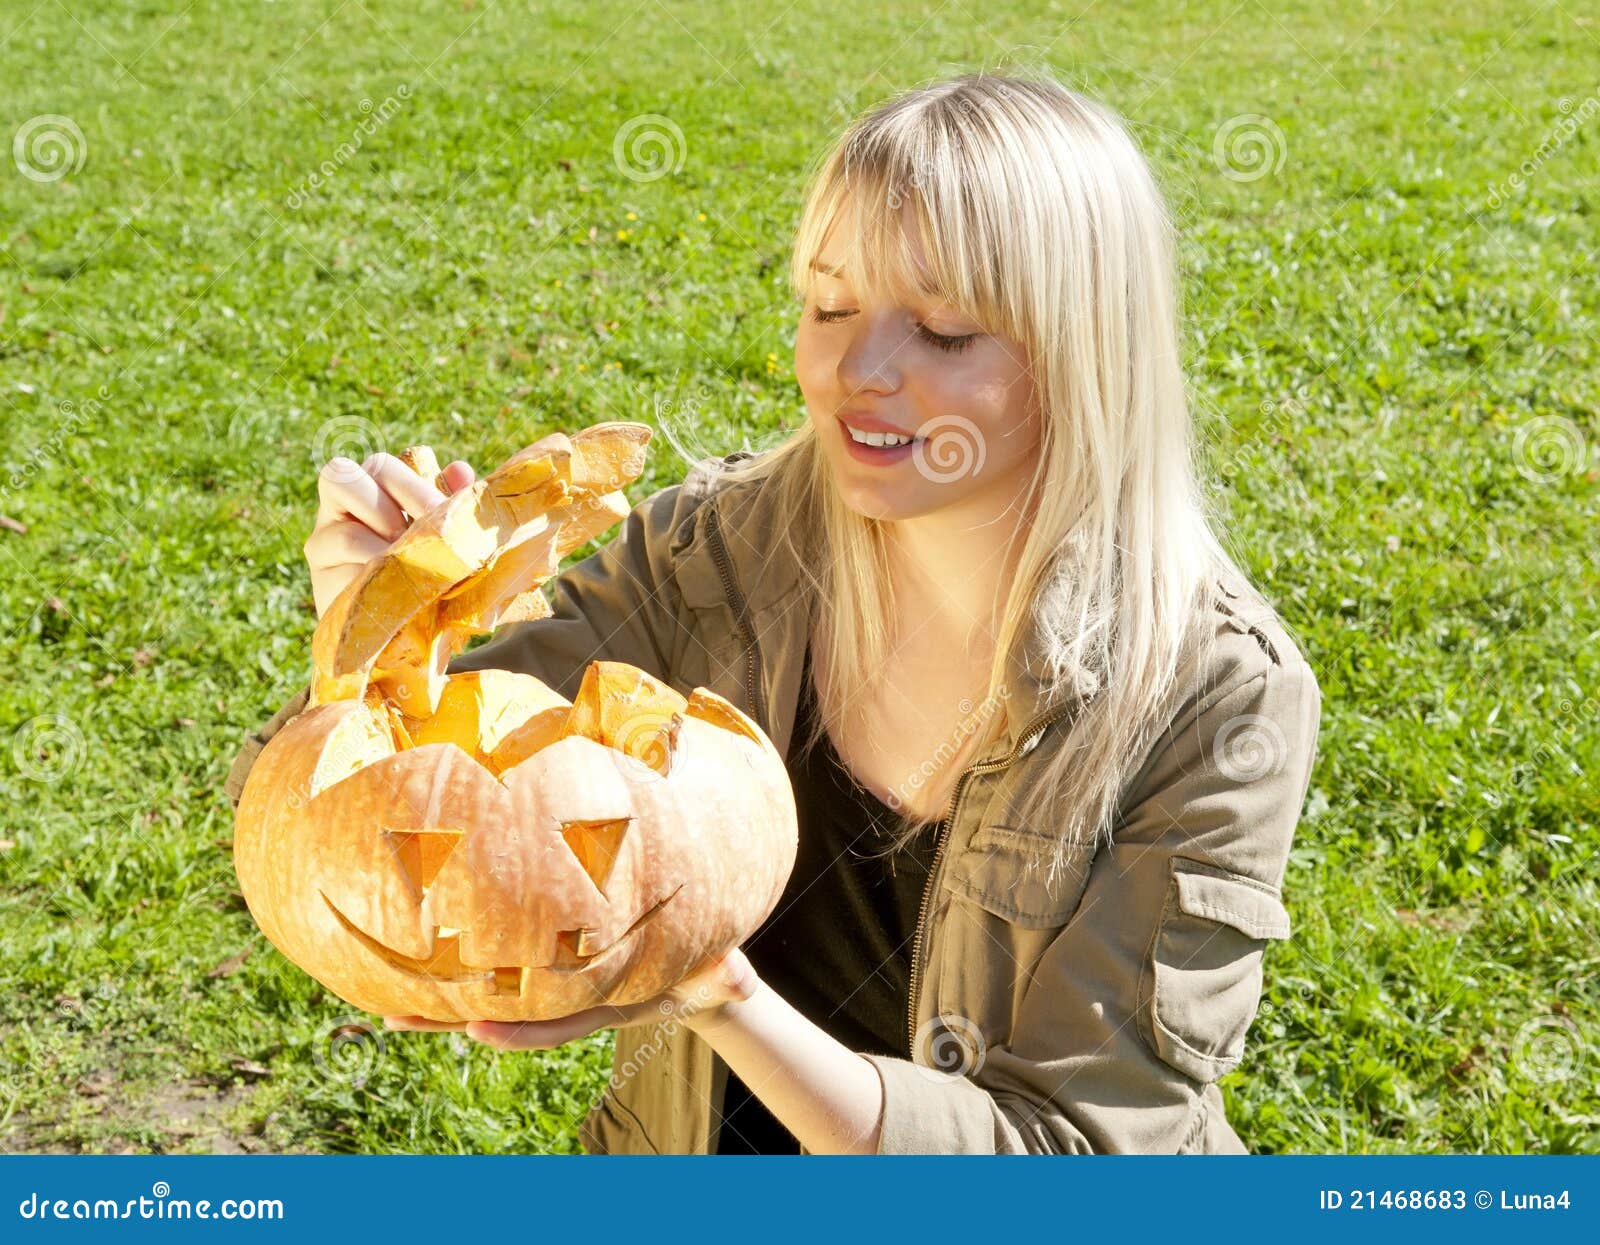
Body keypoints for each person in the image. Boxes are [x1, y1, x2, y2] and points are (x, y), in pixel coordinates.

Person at [225, 70, 1322, 1154]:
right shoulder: (717, 550)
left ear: (1085, 354)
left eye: (942, 329)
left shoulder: (1217, 697)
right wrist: (377, 627)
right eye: (829, 304)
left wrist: (714, 993)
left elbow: (1072, 1150)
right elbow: (381, 822)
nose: (854, 369)